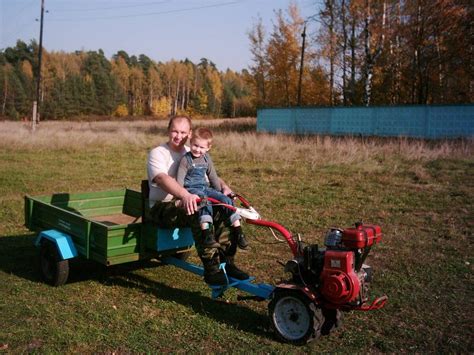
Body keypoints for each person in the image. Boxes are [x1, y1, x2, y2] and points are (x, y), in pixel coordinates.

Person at [147, 115, 249, 286]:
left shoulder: (193, 150)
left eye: (183, 132)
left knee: (222, 208)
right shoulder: (158, 153)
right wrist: (185, 195)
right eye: (174, 131)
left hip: (192, 198)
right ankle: (212, 269)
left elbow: (207, 175)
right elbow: (162, 178)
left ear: (189, 133)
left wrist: (224, 187)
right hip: (163, 207)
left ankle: (227, 262)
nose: (178, 136)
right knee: (196, 208)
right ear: (168, 131)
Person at [176, 127, 249, 250]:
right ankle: (207, 234)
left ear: (208, 148)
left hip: (205, 186)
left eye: (202, 147)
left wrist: (220, 192)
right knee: (205, 201)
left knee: (225, 200)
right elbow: (179, 181)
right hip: (191, 189)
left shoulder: (206, 158)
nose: (197, 149)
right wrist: (180, 196)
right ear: (191, 143)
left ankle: (238, 232)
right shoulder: (185, 160)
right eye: (195, 145)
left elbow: (213, 177)